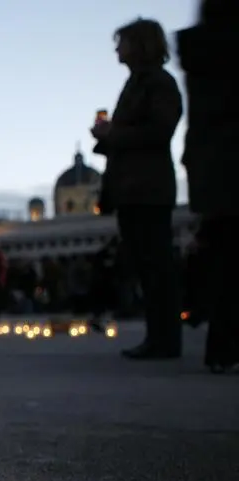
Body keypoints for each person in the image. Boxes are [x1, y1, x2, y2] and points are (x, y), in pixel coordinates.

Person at [93, 18, 184, 360]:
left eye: (123, 43)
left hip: (148, 187)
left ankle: (164, 339)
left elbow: (159, 132)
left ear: (139, 45)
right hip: (134, 186)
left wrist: (111, 135)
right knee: (147, 264)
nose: (117, 49)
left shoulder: (158, 83)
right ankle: (158, 336)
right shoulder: (138, 84)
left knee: (156, 264)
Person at [178, 0, 239, 373]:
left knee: (226, 250)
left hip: (215, 164)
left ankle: (222, 340)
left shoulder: (203, 50)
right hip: (224, 159)